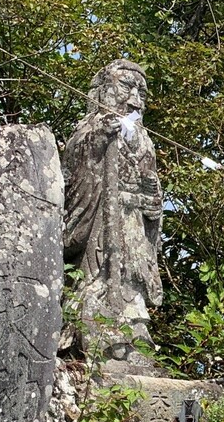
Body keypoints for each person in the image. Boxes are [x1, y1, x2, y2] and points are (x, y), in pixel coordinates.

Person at [62, 59, 163, 367]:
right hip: (101, 227)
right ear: (104, 89)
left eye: (141, 92)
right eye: (125, 87)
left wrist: (152, 201)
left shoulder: (144, 141)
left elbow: (153, 197)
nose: (134, 99)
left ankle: (135, 341)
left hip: (133, 229)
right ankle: (100, 342)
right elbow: (73, 178)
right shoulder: (89, 130)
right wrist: (96, 143)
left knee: (134, 286)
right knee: (99, 280)